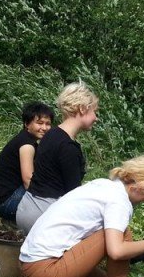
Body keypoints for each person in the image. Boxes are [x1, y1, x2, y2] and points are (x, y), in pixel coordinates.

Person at [15, 81, 98, 233]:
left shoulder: (51, 134)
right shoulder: (68, 147)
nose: (96, 118)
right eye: (94, 111)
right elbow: (73, 196)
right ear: (82, 108)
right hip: (43, 218)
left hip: (26, 208)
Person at [0, 102, 55, 224]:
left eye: (48, 124)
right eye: (39, 123)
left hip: (2, 199)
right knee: (52, 204)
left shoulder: (25, 139)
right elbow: (28, 181)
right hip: (7, 203)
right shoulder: (26, 145)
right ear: (27, 124)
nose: (45, 128)